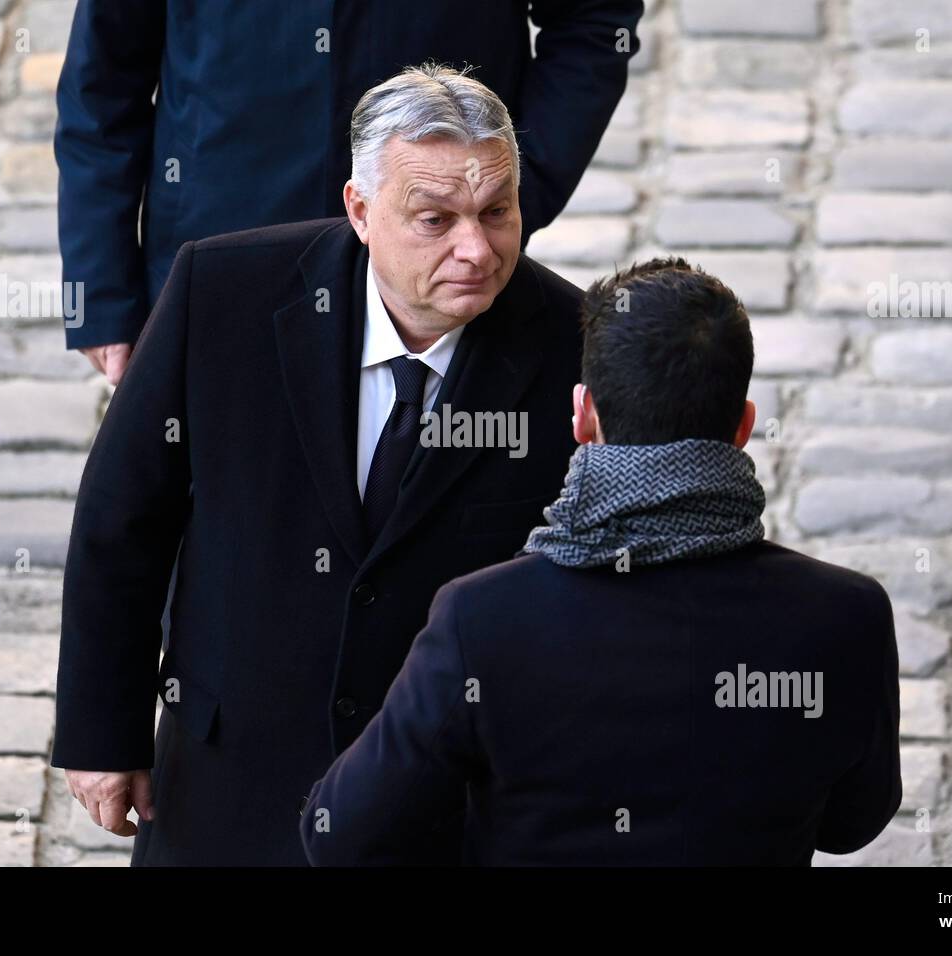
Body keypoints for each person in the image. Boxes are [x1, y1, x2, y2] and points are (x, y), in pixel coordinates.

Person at [53, 65, 586, 865]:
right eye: (435, 219)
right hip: (230, 778)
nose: (475, 248)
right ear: (362, 210)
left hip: (453, 807)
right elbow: (124, 515)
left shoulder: (574, 345)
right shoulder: (222, 294)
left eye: (496, 212)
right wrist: (102, 731)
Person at [300, 258, 903, 865]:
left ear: (583, 416)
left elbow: (342, 836)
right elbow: (852, 822)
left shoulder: (482, 619)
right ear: (744, 426)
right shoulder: (845, 613)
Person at [56, 0, 644, 384]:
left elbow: (593, 22)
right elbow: (103, 79)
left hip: (436, 285)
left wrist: (507, 192)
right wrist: (101, 294)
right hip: (222, 264)